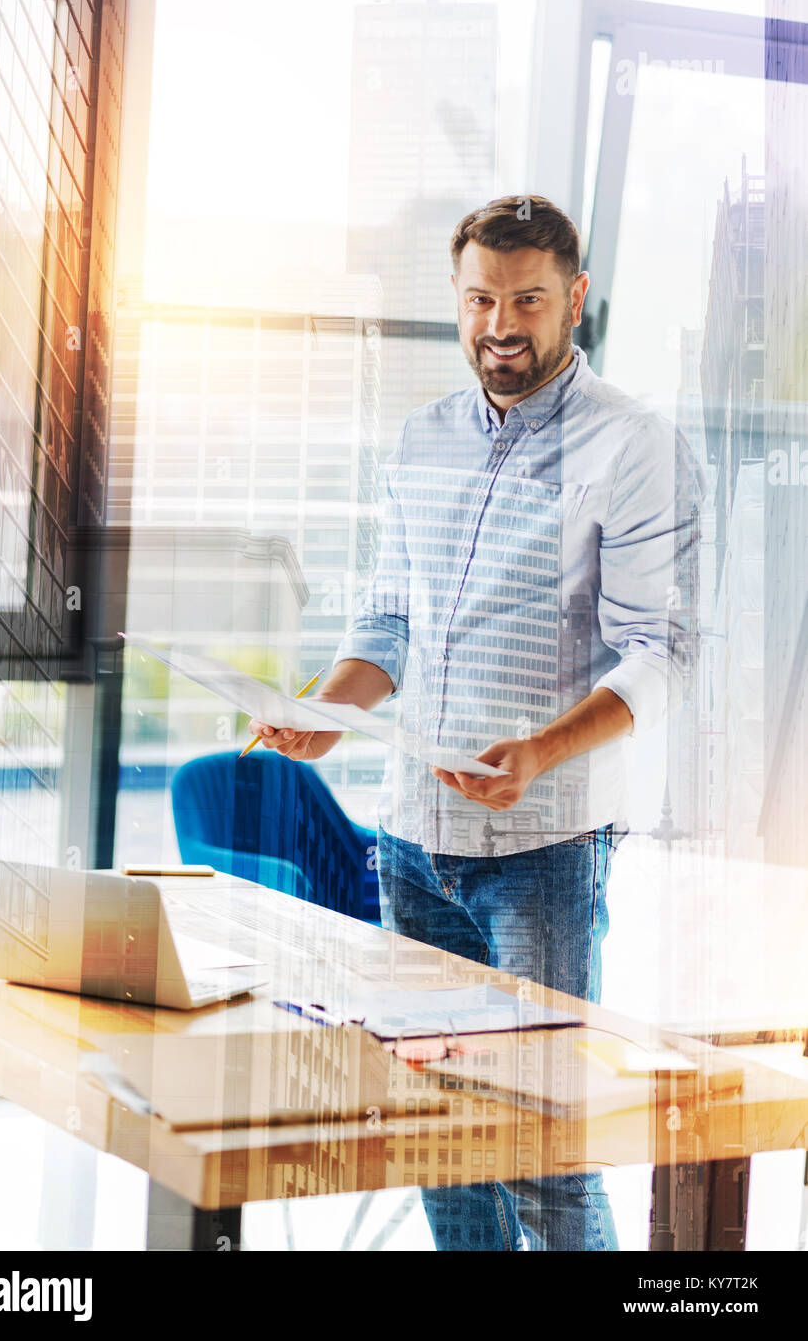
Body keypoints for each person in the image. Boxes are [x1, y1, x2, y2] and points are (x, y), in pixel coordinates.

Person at [249, 194, 705, 1250]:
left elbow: (661, 647)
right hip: (412, 842)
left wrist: (541, 751)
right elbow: (388, 624)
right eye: (481, 299)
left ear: (575, 300)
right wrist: (325, 707)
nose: (502, 322)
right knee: (446, 1142)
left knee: (543, 1152)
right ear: (456, 301)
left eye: (529, 300)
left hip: (542, 850)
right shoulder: (419, 439)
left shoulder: (633, 447)